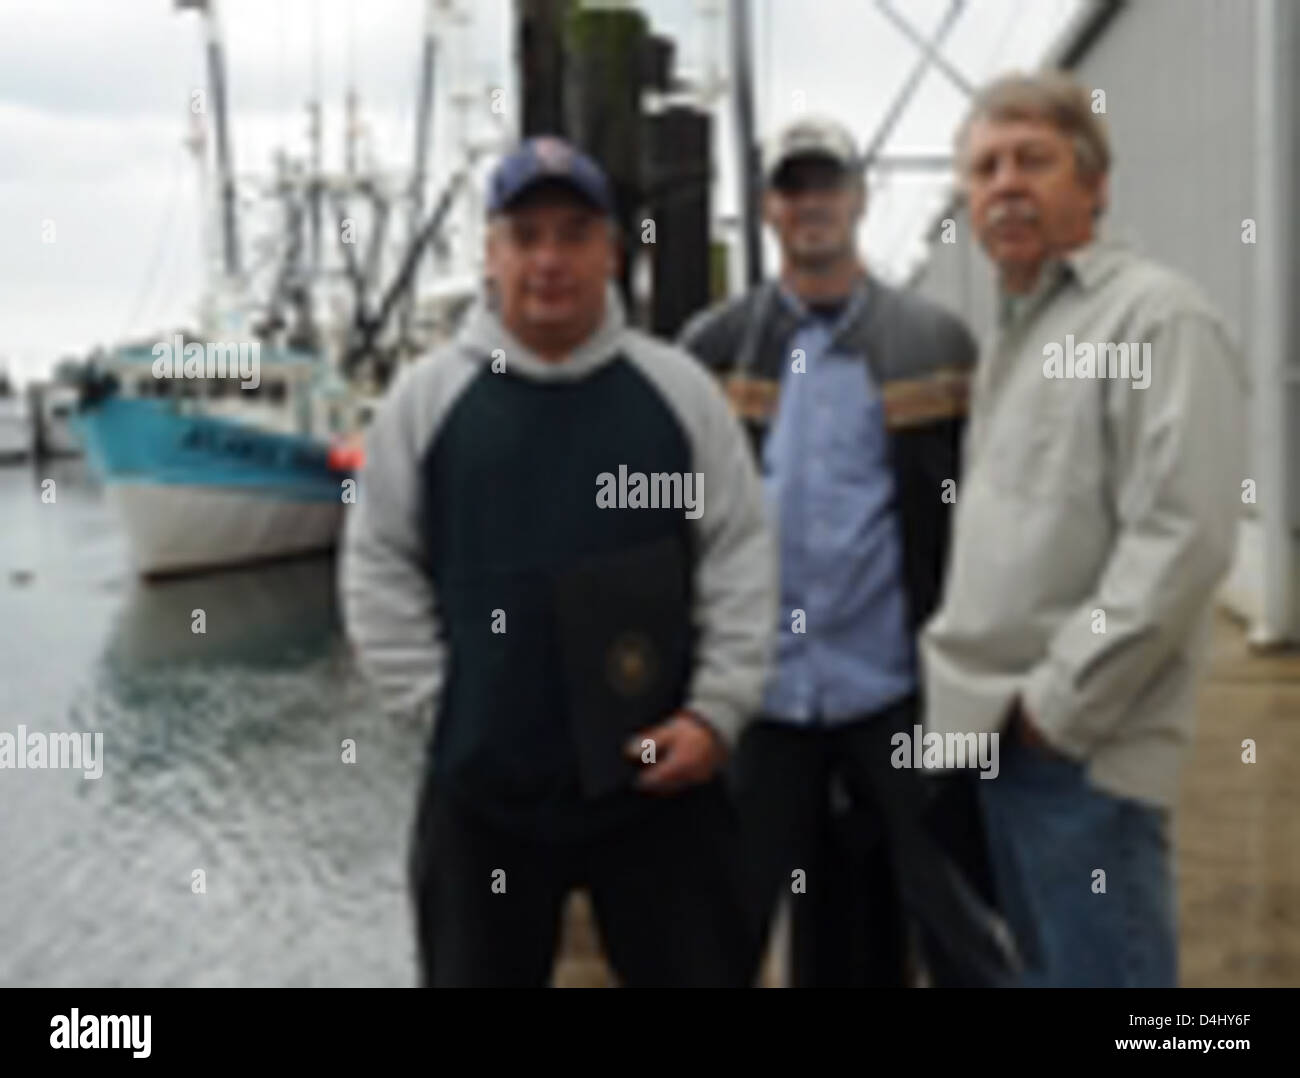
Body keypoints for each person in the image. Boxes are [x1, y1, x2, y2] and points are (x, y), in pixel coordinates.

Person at [340, 136, 777, 987]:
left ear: (611, 250)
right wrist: (446, 710)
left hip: (661, 782)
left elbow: (739, 555)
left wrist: (717, 712)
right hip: (484, 799)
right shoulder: (426, 402)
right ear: (491, 253)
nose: (550, 259)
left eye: (574, 233)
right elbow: (378, 566)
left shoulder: (679, 391)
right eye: (526, 234)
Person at [921, 72, 1246, 987]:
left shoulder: (1157, 319)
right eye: (985, 168)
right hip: (1006, 740)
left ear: (1096, 184)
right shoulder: (1016, 337)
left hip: (1081, 755)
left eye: (1034, 159)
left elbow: (1182, 539)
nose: (1006, 184)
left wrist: (1057, 711)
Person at [680, 117, 1010, 986]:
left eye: (829, 183)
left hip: (895, 693)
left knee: (956, 914)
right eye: (793, 187)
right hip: (762, 699)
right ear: (766, 210)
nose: (812, 203)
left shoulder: (939, 344)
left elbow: (986, 515)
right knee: (722, 923)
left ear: (861, 198)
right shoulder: (711, 349)